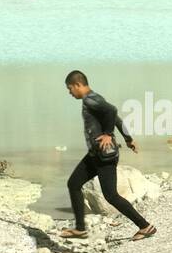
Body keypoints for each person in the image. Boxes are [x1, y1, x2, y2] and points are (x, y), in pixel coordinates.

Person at [59, 70, 156, 241]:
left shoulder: (90, 100)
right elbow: (116, 117)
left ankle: (145, 226)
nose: (69, 93)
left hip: (104, 157)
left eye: (70, 89)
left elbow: (112, 111)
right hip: (95, 155)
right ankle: (80, 229)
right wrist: (128, 138)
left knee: (111, 196)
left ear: (78, 85)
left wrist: (108, 133)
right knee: (73, 183)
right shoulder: (95, 98)